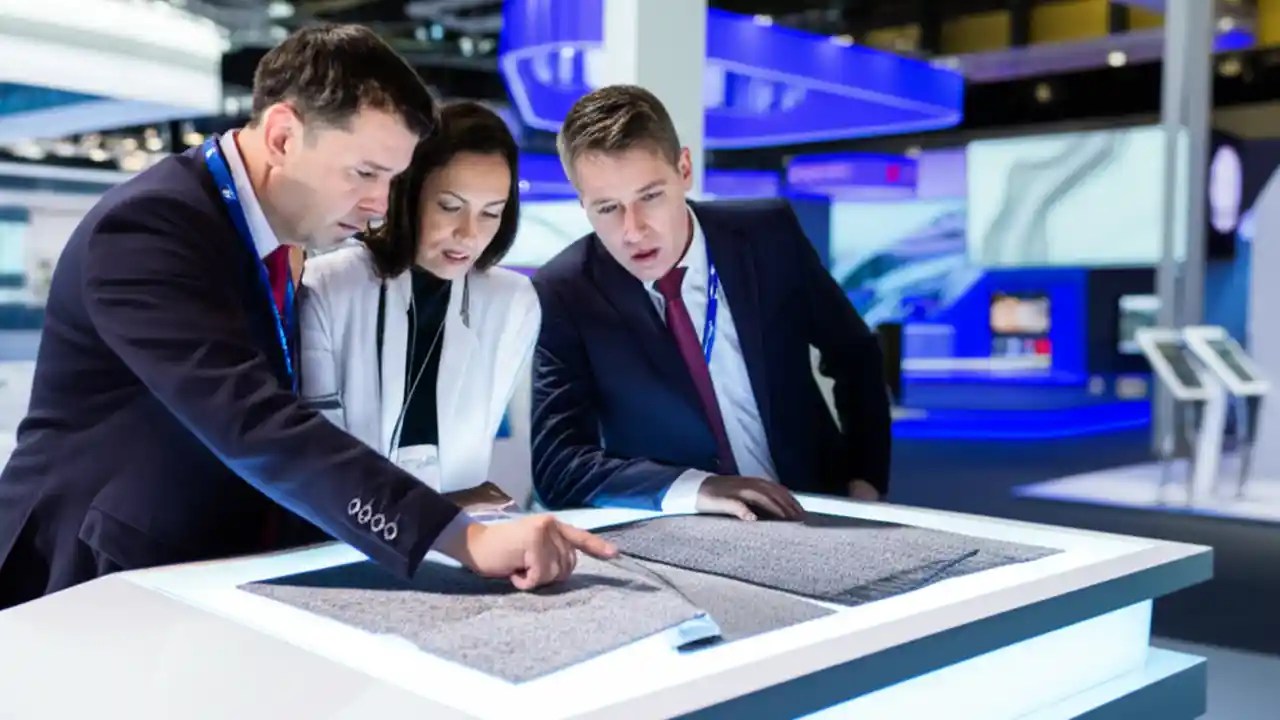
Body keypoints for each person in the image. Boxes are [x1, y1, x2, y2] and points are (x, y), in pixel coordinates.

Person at [0, 24, 613, 610]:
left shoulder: (265, 239)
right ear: (284, 136)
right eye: (365, 173)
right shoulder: (151, 228)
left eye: (393, 179)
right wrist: (461, 536)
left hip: (205, 567)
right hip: (92, 573)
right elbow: (253, 420)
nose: (379, 205)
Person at [530, 85, 891, 520]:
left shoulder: (767, 235)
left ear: (684, 169)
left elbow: (854, 352)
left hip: (820, 508)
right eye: (607, 208)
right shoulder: (566, 291)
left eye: (650, 196)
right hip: (693, 535)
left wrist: (866, 479)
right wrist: (697, 488)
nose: (633, 230)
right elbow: (556, 465)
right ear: (582, 204)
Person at [299, 101, 536, 511]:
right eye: (450, 207)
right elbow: (320, 463)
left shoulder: (512, 303)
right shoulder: (328, 287)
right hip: (340, 537)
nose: (468, 233)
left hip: (465, 546)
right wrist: (446, 508)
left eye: (491, 213)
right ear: (409, 192)